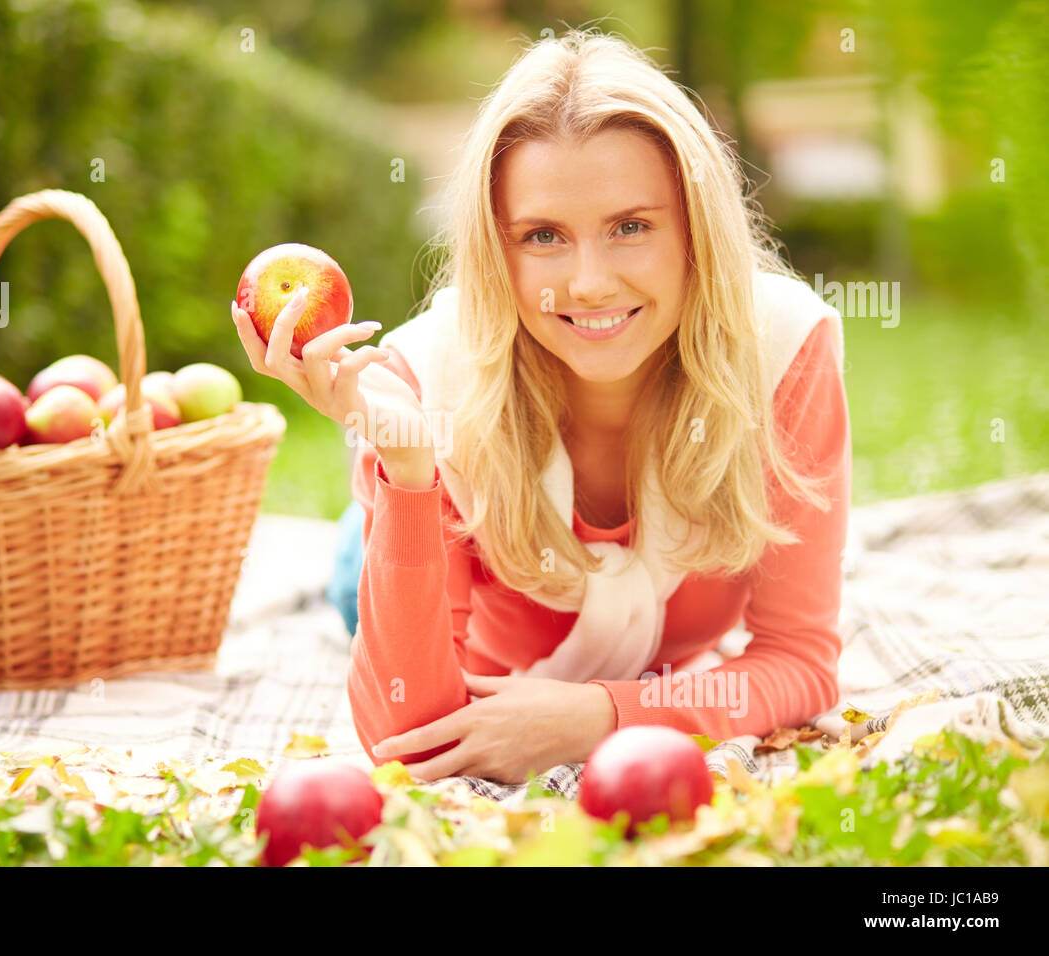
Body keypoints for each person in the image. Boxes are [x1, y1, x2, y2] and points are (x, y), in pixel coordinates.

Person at [231, 29, 850, 785]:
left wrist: (598, 716)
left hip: (614, 642)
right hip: (428, 547)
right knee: (352, 574)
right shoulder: (422, 382)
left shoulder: (782, 351)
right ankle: (354, 539)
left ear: (696, 231)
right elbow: (410, 736)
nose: (588, 284)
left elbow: (800, 662)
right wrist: (407, 468)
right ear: (497, 250)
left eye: (631, 226)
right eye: (543, 235)